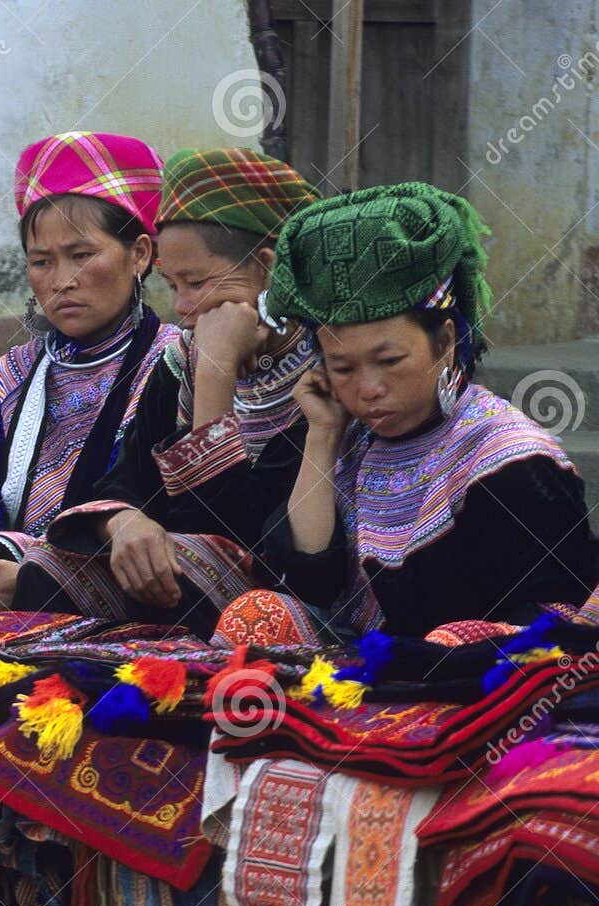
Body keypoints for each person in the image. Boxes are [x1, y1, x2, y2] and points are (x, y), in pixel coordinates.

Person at [214, 182, 597, 645]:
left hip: (469, 679)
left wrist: (448, 648)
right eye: (343, 367)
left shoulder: (511, 461)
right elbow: (308, 582)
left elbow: (551, 612)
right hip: (352, 674)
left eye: (390, 361)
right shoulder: (340, 439)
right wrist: (322, 435)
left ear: (446, 340)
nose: (369, 390)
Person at [30, 147, 321, 633]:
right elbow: (126, 483)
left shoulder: (323, 376)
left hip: (283, 596)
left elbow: (225, 528)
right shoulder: (179, 361)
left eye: (197, 282)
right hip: (185, 577)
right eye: (171, 285)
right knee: (34, 561)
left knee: (189, 560)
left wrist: (215, 373)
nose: (184, 307)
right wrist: (124, 523)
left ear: (267, 267)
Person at [0, 131, 179, 610]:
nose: (62, 281)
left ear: (139, 254)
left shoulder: (176, 365)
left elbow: (169, 512)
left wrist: (39, 578)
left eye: (82, 256)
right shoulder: (7, 375)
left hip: (117, 597)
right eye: (41, 262)